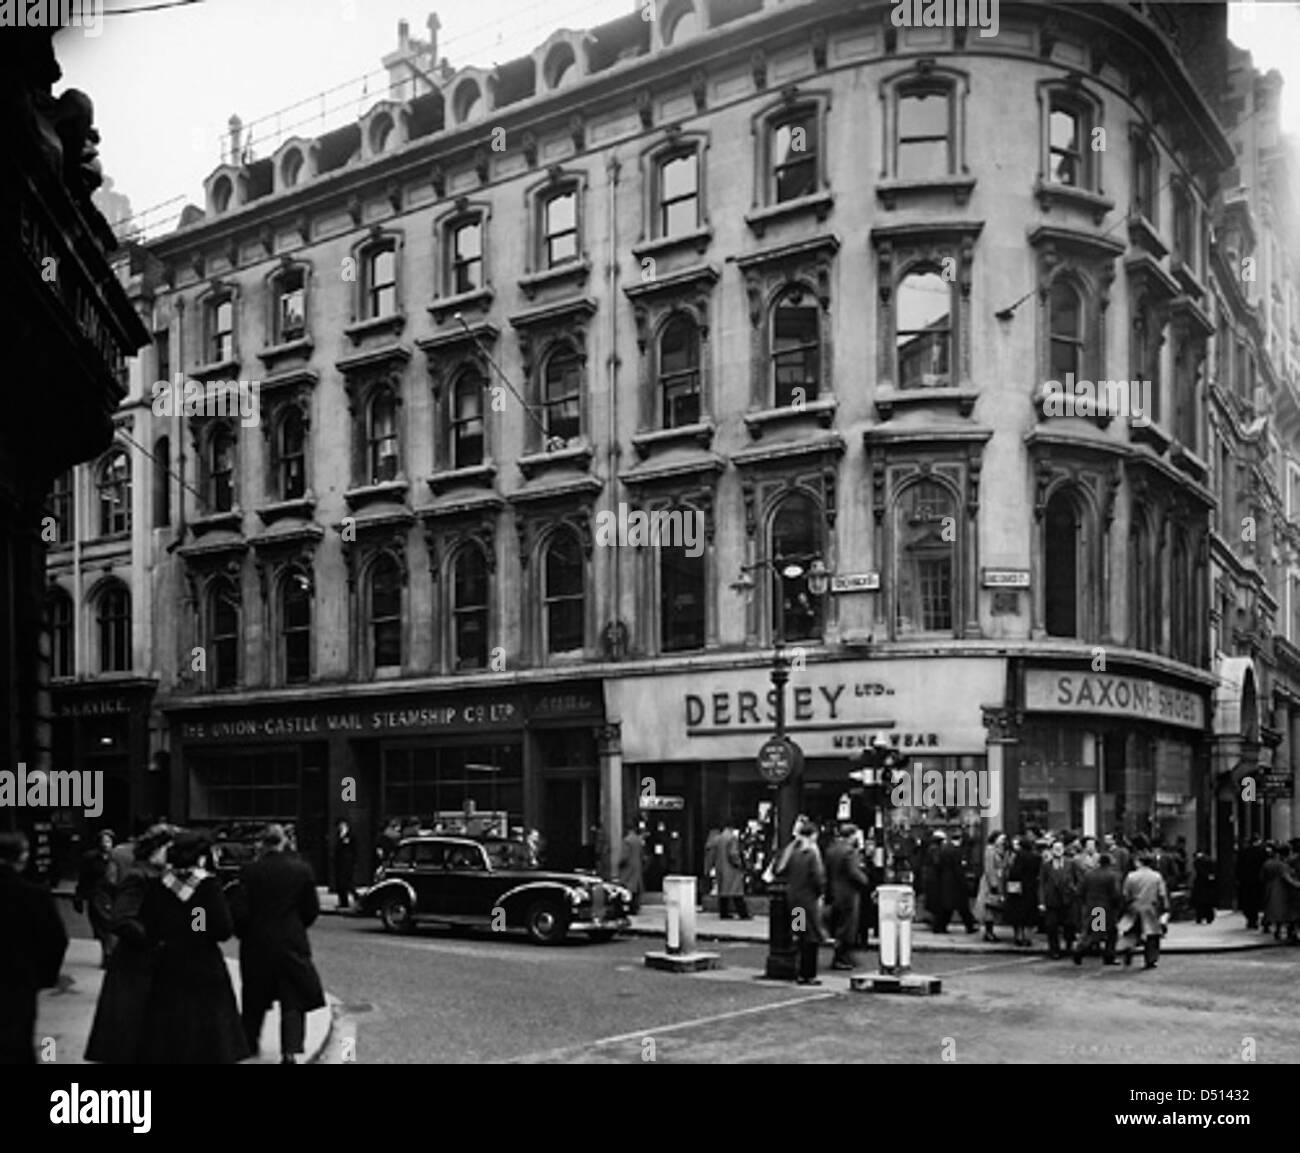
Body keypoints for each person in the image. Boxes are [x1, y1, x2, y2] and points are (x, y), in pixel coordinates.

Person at [137, 830, 249, 1063]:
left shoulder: (161, 884)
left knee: (168, 1038)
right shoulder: (207, 886)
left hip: (168, 964)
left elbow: (150, 924)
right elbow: (221, 928)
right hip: (203, 964)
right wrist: (198, 925)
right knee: (206, 1039)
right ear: (200, 857)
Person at [232, 824, 325, 1064]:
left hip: (257, 940)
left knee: (254, 995)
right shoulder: (301, 870)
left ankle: (249, 1042)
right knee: (293, 997)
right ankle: (290, 1050)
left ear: (263, 844)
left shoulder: (250, 871)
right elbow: (311, 909)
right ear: (284, 842)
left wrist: (244, 933)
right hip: (290, 939)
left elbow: (240, 912)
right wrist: (297, 926)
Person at [85, 824, 174, 1063]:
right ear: (157, 849)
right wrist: (153, 939)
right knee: (131, 1029)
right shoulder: (139, 875)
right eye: (169, 848)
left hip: (143, 963)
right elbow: (121, 918)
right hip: (135, 964)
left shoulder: (159, 875)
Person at [0, 832, 68, 1063]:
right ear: (22, 858)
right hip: (19, 978)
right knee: (16, 1041)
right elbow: (56, 940)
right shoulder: (35, 895)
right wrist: (44, 976)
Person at [774, 818, 827, 985]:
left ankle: (798, 972)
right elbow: (818, 879)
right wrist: (821, 893)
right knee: (811, 938)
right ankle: (808, 974)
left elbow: (780, 870)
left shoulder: (793, 854)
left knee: (799, 935)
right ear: (812, 836)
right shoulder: (811, 855)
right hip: (809, 902)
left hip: (794, 901)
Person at [825, 825, 870, 969]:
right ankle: (841, 958)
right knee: (847, 926)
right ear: (852, 835)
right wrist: (865, 879)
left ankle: (844, 956)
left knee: (840, 925)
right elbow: (853, 872)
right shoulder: (850, 851)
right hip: (848, 893)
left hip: (834, 892)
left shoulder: (831, 849)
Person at [1118, 852, 1170, 970]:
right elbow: (1162, 893)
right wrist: (1165, 907)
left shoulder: (1131, 876)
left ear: (1139, 862)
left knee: (1132, 930)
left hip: (1135, 906)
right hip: (1150, 906)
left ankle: (1129, 948)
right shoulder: (1156, 876)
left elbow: (1125, 893)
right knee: (1152, 934)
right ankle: (1151, 959)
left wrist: (1125, 905)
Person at [75, 829, 118, 968]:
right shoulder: (90, 858)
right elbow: (84, 879)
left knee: (109, 926)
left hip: (111, 895)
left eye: (108, 841)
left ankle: (109, 954)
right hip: (96, 895)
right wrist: (79, 897)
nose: (105, 844)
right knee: (98, 927)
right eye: (103, 841)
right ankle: (106, 952)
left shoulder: (116, 857)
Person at [1073, 851, 1122, 966]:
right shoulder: (1112, 875)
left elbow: (1080, 891)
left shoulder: (1089, 874)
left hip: (1092, 906)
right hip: (1106, 908)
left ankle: (1080, 951)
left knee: (1092, 931)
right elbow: (1115, 893)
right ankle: (1106, 956)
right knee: (1107, 933)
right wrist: (1118, 906)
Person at [1038, 839, 1080, 959]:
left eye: (1060, 848)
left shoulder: (1071, 863)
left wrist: (1075, 891)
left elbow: (1078, 879)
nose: (1058, 850)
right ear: (1051, 850)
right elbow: (1041, 883)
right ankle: (1054, 950)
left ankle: (1069, 945)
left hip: (1067, 899)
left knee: (1069, 925)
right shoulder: (1046, 866)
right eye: (1055, 848)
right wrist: (1041, 901)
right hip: (1052, 900)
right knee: (1052, 927)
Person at [927, 830, 975, 933]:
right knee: (961, 907)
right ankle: (969, 926)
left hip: (945, 882)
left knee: (947, 907)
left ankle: (940, 927)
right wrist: (964, 882)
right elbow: (958, 869)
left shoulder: (945, 849)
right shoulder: (955, 851)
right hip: (955, 883)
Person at [1005, 834, 1041, 947]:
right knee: (1028, 915)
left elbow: (1014, 872)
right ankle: (1027, 937)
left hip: (1018, 888)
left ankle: (1018, 936)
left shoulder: (1018, 856)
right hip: (1030, 888)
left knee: (1017, 914)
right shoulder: (1035, 857)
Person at [1261, 842, 1300, 942]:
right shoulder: (1283, 865)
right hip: (1282, 889)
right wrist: (1297, 884)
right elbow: (1288, 878)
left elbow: (1262, 877)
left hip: (1269, 888)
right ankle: (1289, 931)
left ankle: (1275, 929)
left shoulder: (1268, 863)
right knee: (1284, 911)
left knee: (1272, 909)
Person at [974, 831, 1008, 942]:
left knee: (994, 907)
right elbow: (989, 868)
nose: (1003, 841)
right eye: (1001, 838)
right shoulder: (990, 850)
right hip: (990, 882)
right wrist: (994, 883)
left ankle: (990, 931)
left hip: (1000, 880)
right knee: (989, 906)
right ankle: (988, 932)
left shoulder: (1001, 851)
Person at [716, 822, 750, 919]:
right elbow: (733, 854)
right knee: (737, 892)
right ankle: (743, 913)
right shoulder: (732, 838)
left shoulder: (720, 838)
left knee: (724, 893)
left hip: (721, 868)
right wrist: (740, 864)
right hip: (731, 869)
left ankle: (724, 913)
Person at [1237, 834, 1265, 929]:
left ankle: (1250, 919)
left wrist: (1238, 879)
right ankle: (1254, 919)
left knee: (1248, 901)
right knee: (1256, 901)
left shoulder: (1243, 852)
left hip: (1246, 881)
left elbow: (1238, 867)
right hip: (1258, 881)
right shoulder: (1261, 852)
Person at [617, 827, 645, 915]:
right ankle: (636, 906)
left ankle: (629, 907)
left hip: (628, 868)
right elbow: (642, 855)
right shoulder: (638, 841)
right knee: (636, 887)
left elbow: (624, 856)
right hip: (637, 866)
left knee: (628, 887)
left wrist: (619, 863)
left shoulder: (627, 841)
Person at [331, 819, 357, 911]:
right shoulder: (338, 835)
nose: (339, 827)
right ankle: (343, 902)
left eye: (341, 825)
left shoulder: (351, 835)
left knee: (347, 883)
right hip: (339, 863)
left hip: (347, 863)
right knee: (340, 884)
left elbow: (354, 849)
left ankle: (356, 897)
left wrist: (353, 861)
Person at [1191, 850, 1216, 924]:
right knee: (1208, 902)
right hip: (1208, 884)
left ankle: (1200, 917)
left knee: (1199, 903)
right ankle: (1209, 917)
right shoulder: (1210, 860)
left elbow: (1199, 871)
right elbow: (1213, 872)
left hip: (1200, 884)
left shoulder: (1197, 862)